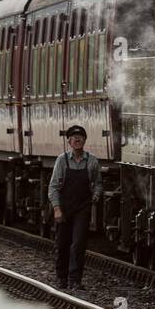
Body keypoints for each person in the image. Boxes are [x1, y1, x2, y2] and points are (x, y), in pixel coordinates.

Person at [47, 124, 102, 289]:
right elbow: (53, 187)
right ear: (69, 142)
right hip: (64, 207)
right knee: (62, 243)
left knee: (78, 244)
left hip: (82, 208)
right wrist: (57, 208)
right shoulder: (61, 160)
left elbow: (98, 183)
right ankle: (61, 277)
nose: (77, 140)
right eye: (74, 138)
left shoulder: (92, 161)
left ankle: (75, 279)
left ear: (85, 140)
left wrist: (96, 195)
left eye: (80, 138)